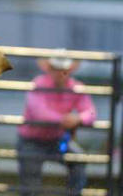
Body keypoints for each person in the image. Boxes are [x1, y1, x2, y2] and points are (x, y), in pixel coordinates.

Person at [16, 57, 97, 195]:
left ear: (69, 70)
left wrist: (78, 119)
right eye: (56, 69)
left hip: (58, 141)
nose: (60, 73)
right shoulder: (38, 84)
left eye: (64, 70)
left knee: (78, 160)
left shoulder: (75, 88)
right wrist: (66, 120)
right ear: (49, 70)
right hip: (31, 141)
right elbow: (38, 112)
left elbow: (90, 112)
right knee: (31, 182)